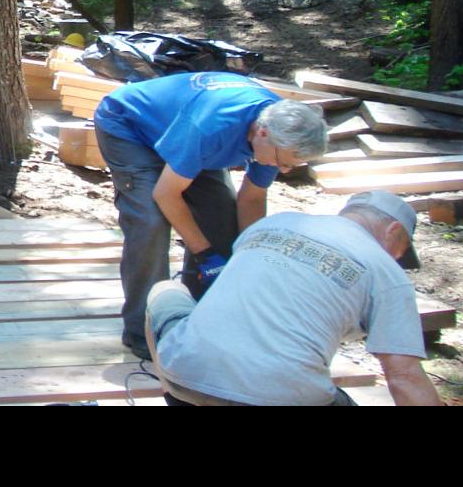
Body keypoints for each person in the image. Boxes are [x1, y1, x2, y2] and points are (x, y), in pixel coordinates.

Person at [92, 72, 328, 360]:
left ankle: (199, 315)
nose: (285, 170)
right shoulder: (214, 127)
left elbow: (251, 198)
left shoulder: (278, 132)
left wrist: (248, 253)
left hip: (187, 137)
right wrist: (205, 254)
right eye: (283, 162)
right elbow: (166, 194)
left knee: (222, 221)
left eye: (292, 165)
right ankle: (145, 328)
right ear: (262, 134)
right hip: (131, 127)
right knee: (151, 222)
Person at [145, 190, 442, 406]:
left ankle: (175, 391)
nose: (396, 259)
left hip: (186, 377)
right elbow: (404, 378)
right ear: (394, 230)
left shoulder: (272, 225)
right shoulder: (386, 271)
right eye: (400, 251)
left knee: (165, 292)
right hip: (281, 397)